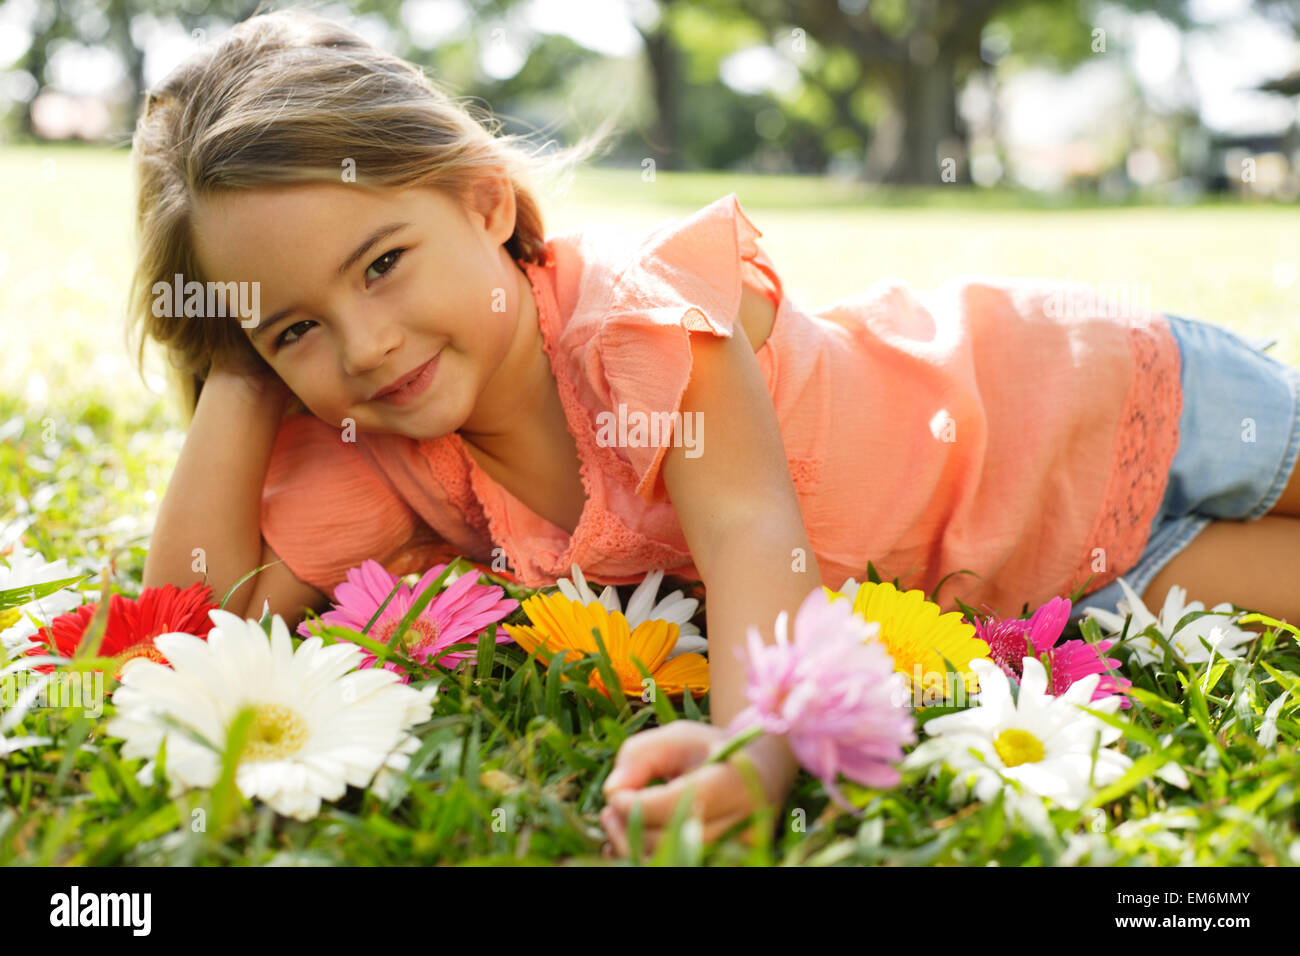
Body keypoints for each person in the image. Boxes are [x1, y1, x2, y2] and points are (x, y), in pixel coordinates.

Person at [127, 6, 1300, 857]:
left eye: (382, 264)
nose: (367, 343)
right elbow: (202, 614)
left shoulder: (634, 321)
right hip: (1058, 568)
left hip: (1087, 396)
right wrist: (238, 367)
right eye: (300, 327)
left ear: (484, 202)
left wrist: (754, 748)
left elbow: (750, 534)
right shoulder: (390, 445)